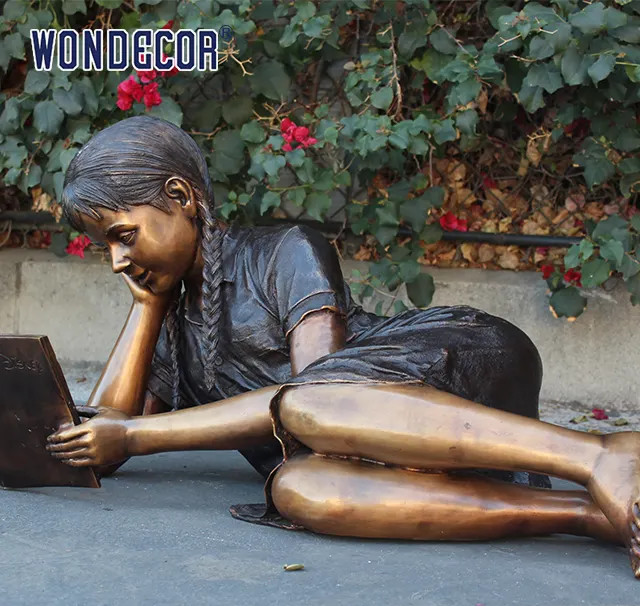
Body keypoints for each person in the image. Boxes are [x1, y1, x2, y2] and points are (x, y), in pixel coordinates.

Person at [47, 116, 640, 578]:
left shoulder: (284, 250)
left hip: (452, 364)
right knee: (297, 489)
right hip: (376, 455)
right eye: (106, 247)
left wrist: (137, 435)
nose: (117, 260)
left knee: (310, 406)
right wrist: (147, 309)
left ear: (179, 196)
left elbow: (319, 403)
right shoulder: (173, 320)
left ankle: (599, 455)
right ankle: (588, 516)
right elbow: (99, 441)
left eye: (123, 236)